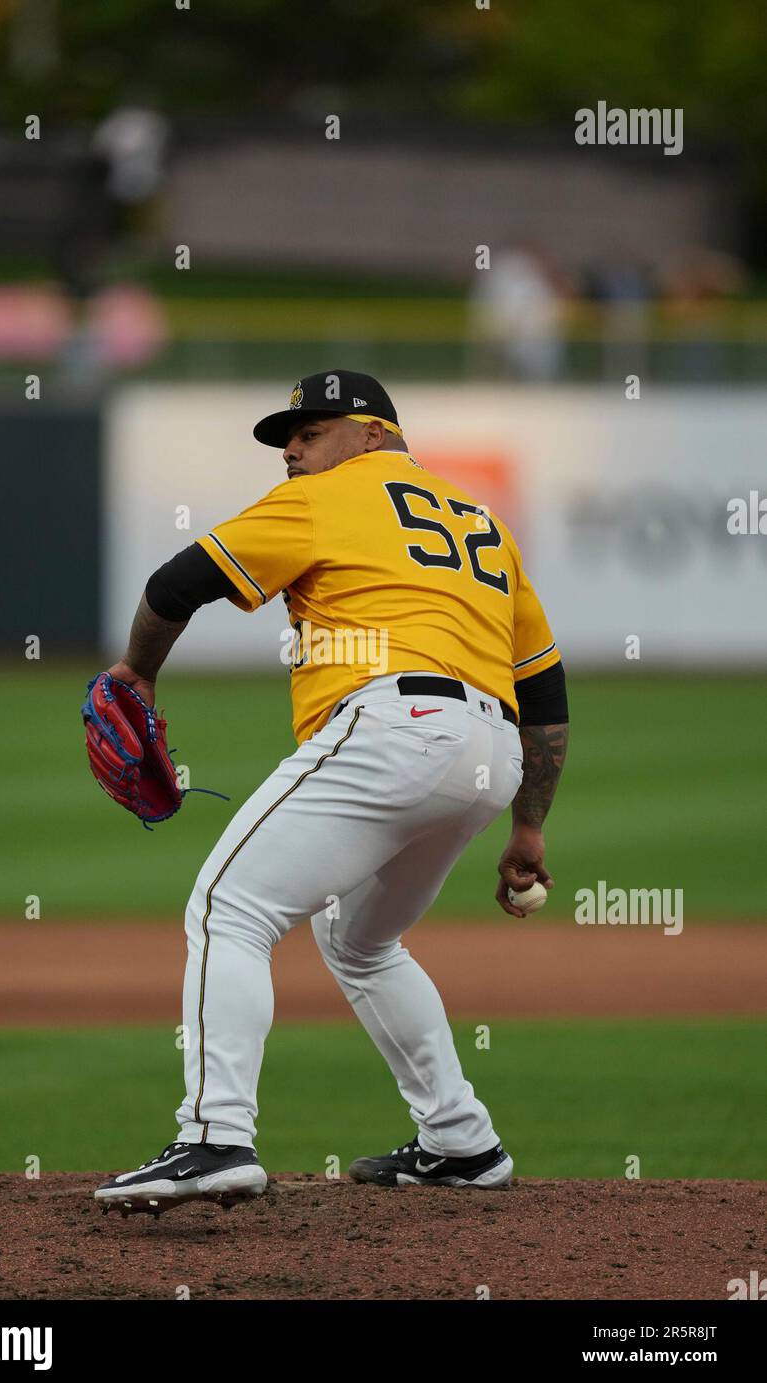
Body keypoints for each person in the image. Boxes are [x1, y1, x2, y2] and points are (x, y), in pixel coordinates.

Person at [93, 370, 569, 1215]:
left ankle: (213, 1136)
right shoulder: (484, 524)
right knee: (359, 939)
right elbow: (546, 691)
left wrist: (136, 674)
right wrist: (528, 827)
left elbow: (175, 585)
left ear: (372, 434)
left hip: (395, 722)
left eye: (310, 431)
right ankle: (462, 1143)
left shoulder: (328, 496)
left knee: (228, 908)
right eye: (290, 435)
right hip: (488, 754)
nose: (292, 448)